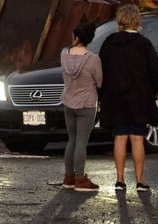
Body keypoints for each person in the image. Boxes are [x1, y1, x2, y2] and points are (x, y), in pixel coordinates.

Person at [99, 4, 158, 194]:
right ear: (137, 20)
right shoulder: (144, 44)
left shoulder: (109, 42)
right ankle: (140, 181)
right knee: (137, 138)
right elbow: (154, 72)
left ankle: (119, 180)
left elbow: (102, 69)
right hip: (139, 96)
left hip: (115, 96)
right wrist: (157, 92)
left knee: (119, 137)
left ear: (120, 20)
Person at [61, 23, 104, 192]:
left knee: (71, 140)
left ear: (77, 38)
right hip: (86, 104)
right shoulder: (93, 59)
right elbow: (99, 82)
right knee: (81, 142)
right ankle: (80, 179)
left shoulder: (64, 54)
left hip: (68, 103)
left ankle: (68, 177)